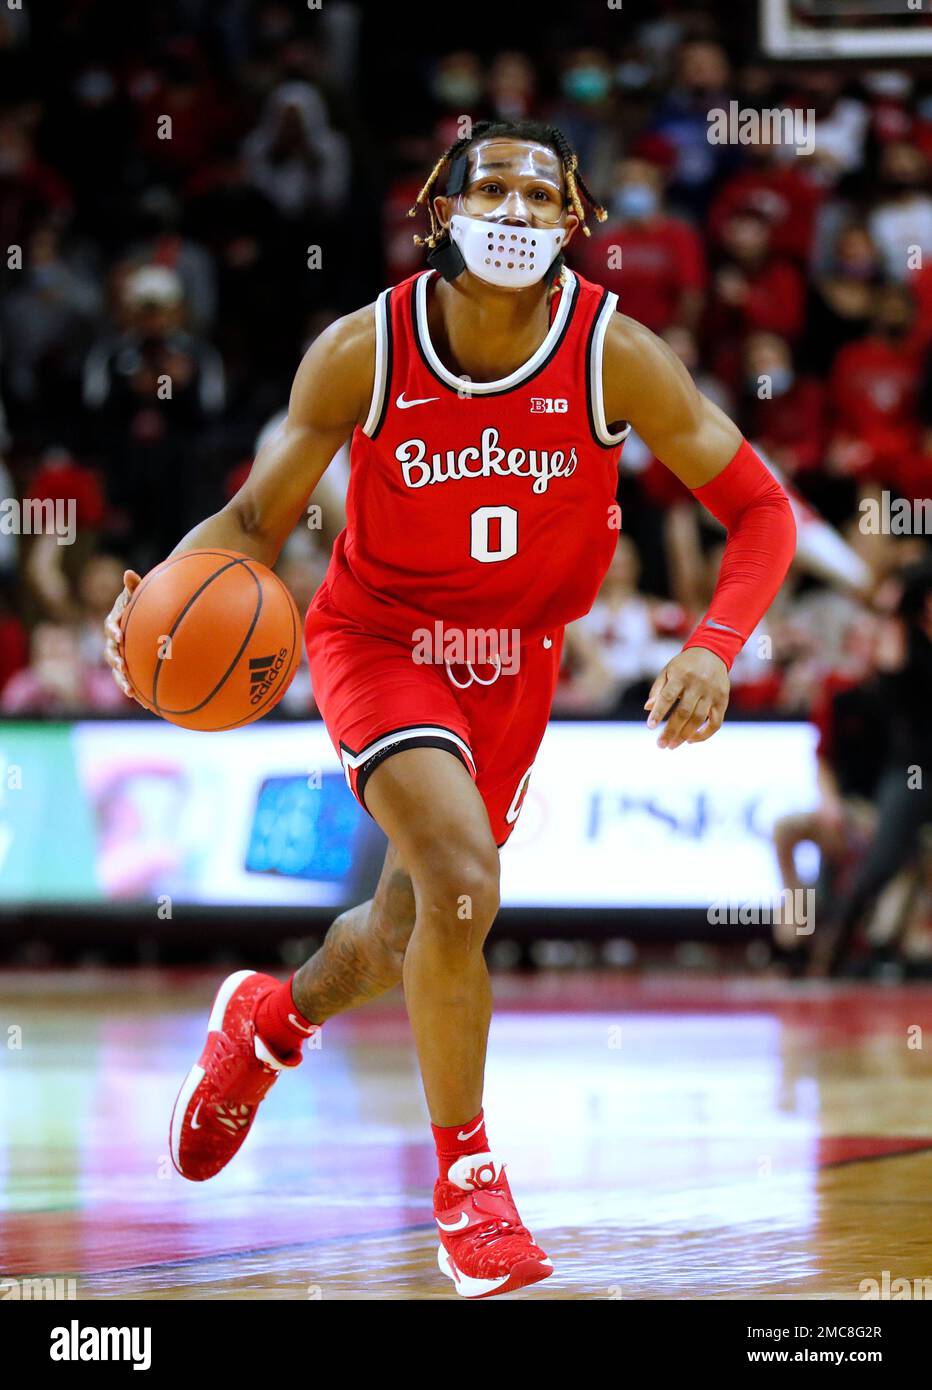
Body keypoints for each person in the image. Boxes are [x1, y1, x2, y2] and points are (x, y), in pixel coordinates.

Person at [104, 120, 796, 1299]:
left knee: (405, 929)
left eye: (542, 197)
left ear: (574, 225)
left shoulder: (611, 353)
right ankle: (467, 1186)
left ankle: (269, 1021)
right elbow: (255, 526)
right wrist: (155, 601)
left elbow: (763, 512)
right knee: (465, 874)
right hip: (379, 641)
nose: (517, 215)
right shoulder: (358, 350)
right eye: (496, 192)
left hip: (517, 663)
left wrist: (713, 643)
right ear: (440, 215)